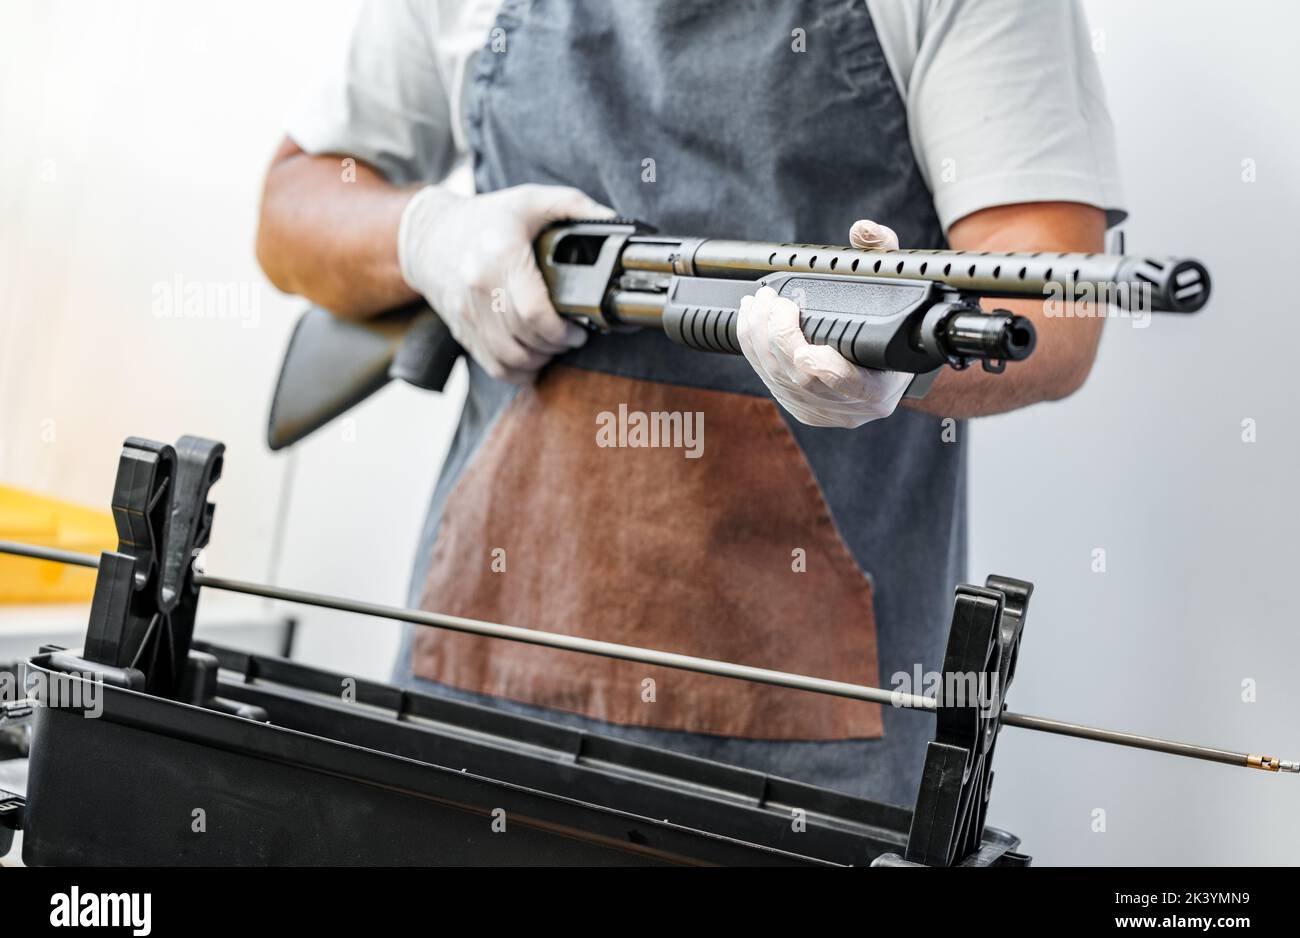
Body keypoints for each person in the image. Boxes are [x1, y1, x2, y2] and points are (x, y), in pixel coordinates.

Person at [256, 0, 1124, 805]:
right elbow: (294, 201)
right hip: (479, 666)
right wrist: (425, 236)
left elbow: (1055, 299)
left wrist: (906, 362)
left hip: (811, 736)